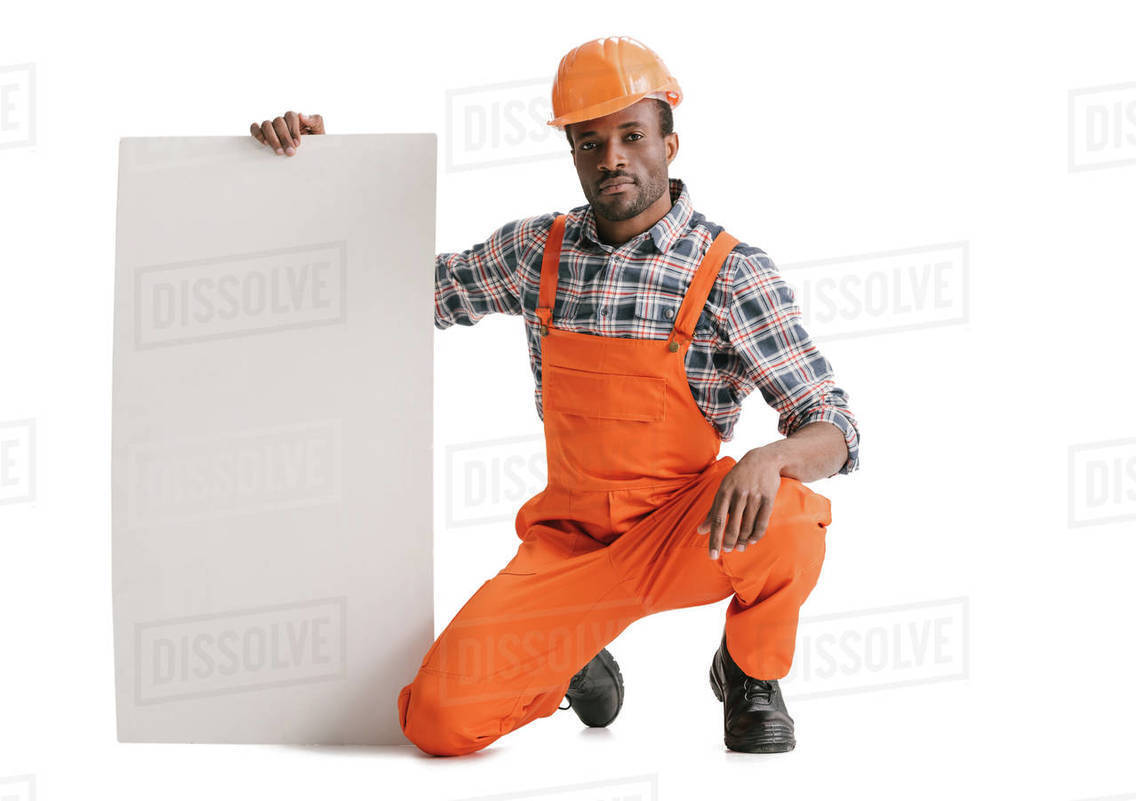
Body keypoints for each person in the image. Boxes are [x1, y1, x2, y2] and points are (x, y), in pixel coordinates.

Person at [250, 35, 860, 757]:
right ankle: (573, 652)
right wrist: (316, 176)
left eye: (632, 135)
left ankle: (750, 672)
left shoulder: (731, 273)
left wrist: (773, 456)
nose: (612, 158)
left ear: (670, 140)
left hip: (683, 533)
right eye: (589, 141)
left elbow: (834, 425)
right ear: (571, 151)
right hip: (568, 551)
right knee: (436, 721)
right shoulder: (539, 252)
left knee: (790, 517)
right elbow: (402, 289)